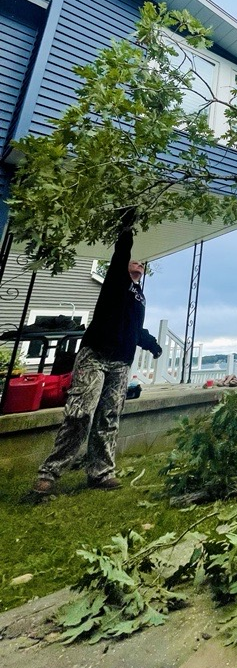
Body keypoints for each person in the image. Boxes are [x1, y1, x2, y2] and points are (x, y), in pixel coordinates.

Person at [30, 209, 162, 497]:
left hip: (121, 362)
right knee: (80, 413)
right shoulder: (116, 283)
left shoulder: (140, 297)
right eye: (134, 261)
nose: (138, 264)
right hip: (95, 355)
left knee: (109, 416)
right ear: (126, 266)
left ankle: (100, 473)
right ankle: (49, 473)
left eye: (142, 264)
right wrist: (126, 228)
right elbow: (120, 255)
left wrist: (152, 346)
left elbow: (135, 329)